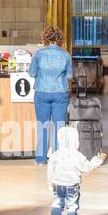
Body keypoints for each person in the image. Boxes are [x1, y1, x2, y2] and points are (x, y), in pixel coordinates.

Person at [46, 126, 107, 215]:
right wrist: (97, 160)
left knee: (57, 203)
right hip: (71, 185)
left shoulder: (55, 154)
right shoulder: (77, 155)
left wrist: (50, 183)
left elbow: (50, 170)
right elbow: (86, 167)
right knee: (72, 205)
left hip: (57, 184)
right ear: (76, 140)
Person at [30, 25, 72, 164]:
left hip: (42, 92)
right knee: (59, 125)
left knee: (43, 125)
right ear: (60, 39)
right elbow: (70, 76)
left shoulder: (38, 54)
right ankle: (57, 158)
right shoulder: (66, 55)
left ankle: (41, 159)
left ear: (45, 38)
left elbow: (32, 73)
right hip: (60, 93)